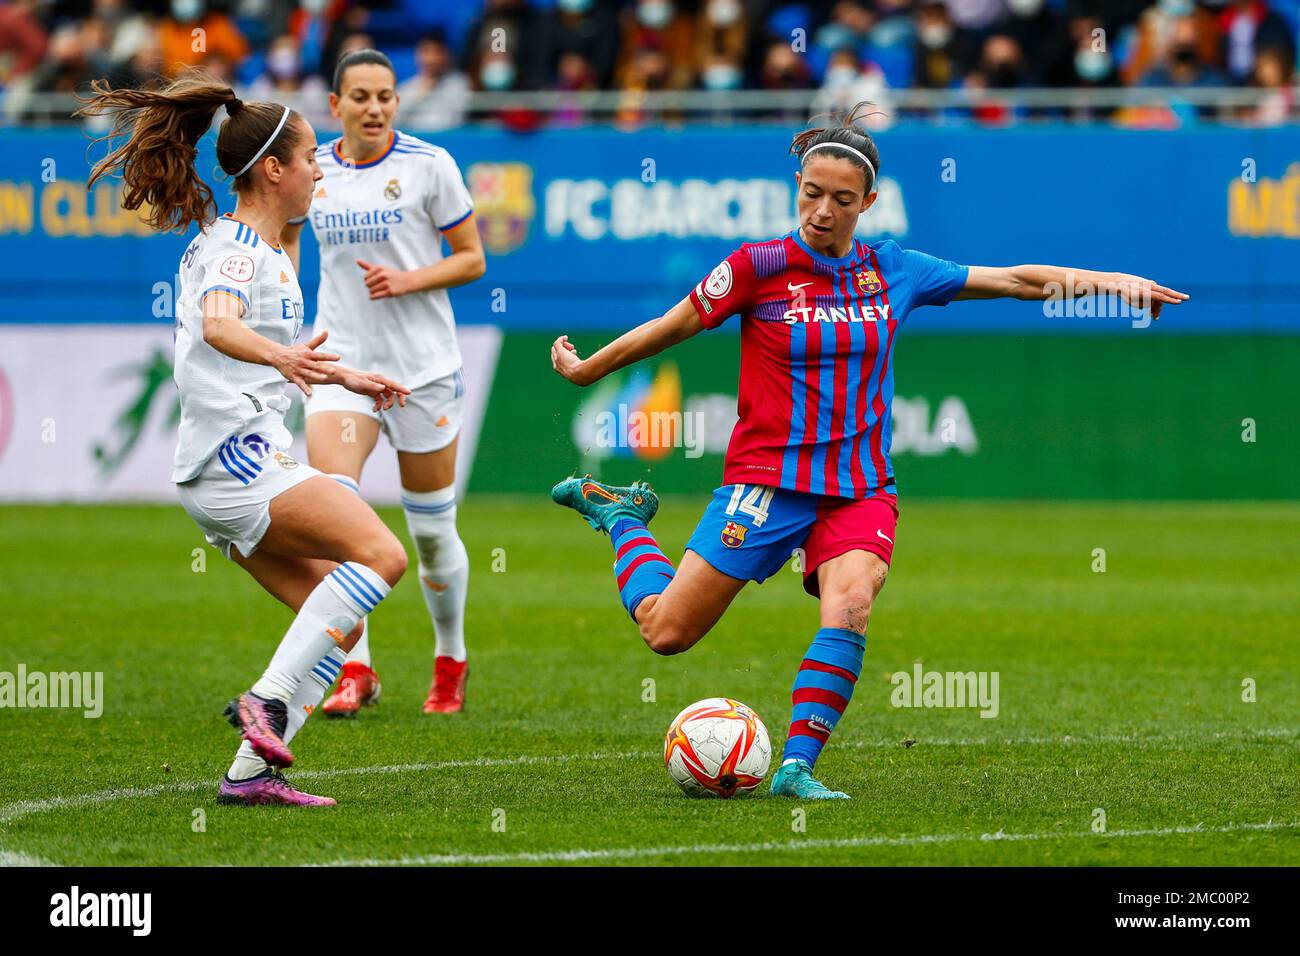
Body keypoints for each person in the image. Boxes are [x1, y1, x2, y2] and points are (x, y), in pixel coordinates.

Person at [548, 102, 1188, 800]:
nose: (822, 210)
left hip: (859, 487)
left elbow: (1013, 279)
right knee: (666, 632)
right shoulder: (757, 266)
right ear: (798, 187)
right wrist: (589, 370)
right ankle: (620, 520)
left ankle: (796, 767)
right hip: (768, 481)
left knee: (851, 602)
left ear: (870, 202)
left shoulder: (896, 270)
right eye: (811, 193)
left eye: (842, 200)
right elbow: (672, 327)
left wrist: (1112, 285)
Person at [79, 72, 411, 806]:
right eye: (310, 159)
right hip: (236, 463)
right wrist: (285, 357)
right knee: (384, 555)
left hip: (223, 467)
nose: (320, 169)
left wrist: (343, 376)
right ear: (273, 169)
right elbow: (222, 325)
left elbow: (258, 344)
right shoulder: (238, 253)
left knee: (342, 628)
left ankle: (249, 775)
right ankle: (264, 700)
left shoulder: (257, 246)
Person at [302, 49, 486, 717]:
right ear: (336, 105)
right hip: (343, 368)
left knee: (432, 533)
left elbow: (472, 259)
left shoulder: (429, 166)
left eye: (385, 96)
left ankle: (450, 657)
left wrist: (409, 279)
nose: (374, 108)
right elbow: (286, 250)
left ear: (396, 104)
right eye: (361, 97)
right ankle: (355, 667)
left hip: (423, 371)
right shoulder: (311, 170)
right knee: (336, 516)